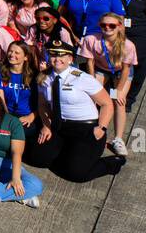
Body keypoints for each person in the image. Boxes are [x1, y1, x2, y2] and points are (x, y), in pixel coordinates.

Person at [29, 39, 121, 182]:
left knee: (76, 174)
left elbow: (107, 103)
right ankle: (69, 155)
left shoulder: (82, 78)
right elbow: (43, 105)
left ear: (70, 59)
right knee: (37, 159)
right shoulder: (44, 78)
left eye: (62, 55)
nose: (57, 59)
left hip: (85, 129)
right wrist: (46, 125)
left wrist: (101, 128)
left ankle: (113, 163)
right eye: (53, 55)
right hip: (59, 126)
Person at [78, 12, 138, 156]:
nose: (107, 28)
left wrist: (118, 90)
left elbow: (126, 69)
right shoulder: (91, 39)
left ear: (119, 26)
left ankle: (118, 139)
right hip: (100, 69)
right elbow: (90, 63)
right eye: (104, 25)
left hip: (120, 72)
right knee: (92, 98)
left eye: (112, 25)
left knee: (119, 101)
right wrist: (92, 83)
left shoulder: (128, 45)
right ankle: (91, 131)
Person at [0, 41, 39, 146]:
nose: (12, 55)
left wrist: (32, 116)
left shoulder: (34, 74)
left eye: (17, 53)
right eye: (10, 51)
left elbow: (41, 100)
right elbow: (0, 97)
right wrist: (8, 118)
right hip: (6, 113)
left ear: (26, 57)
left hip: (26, 116)